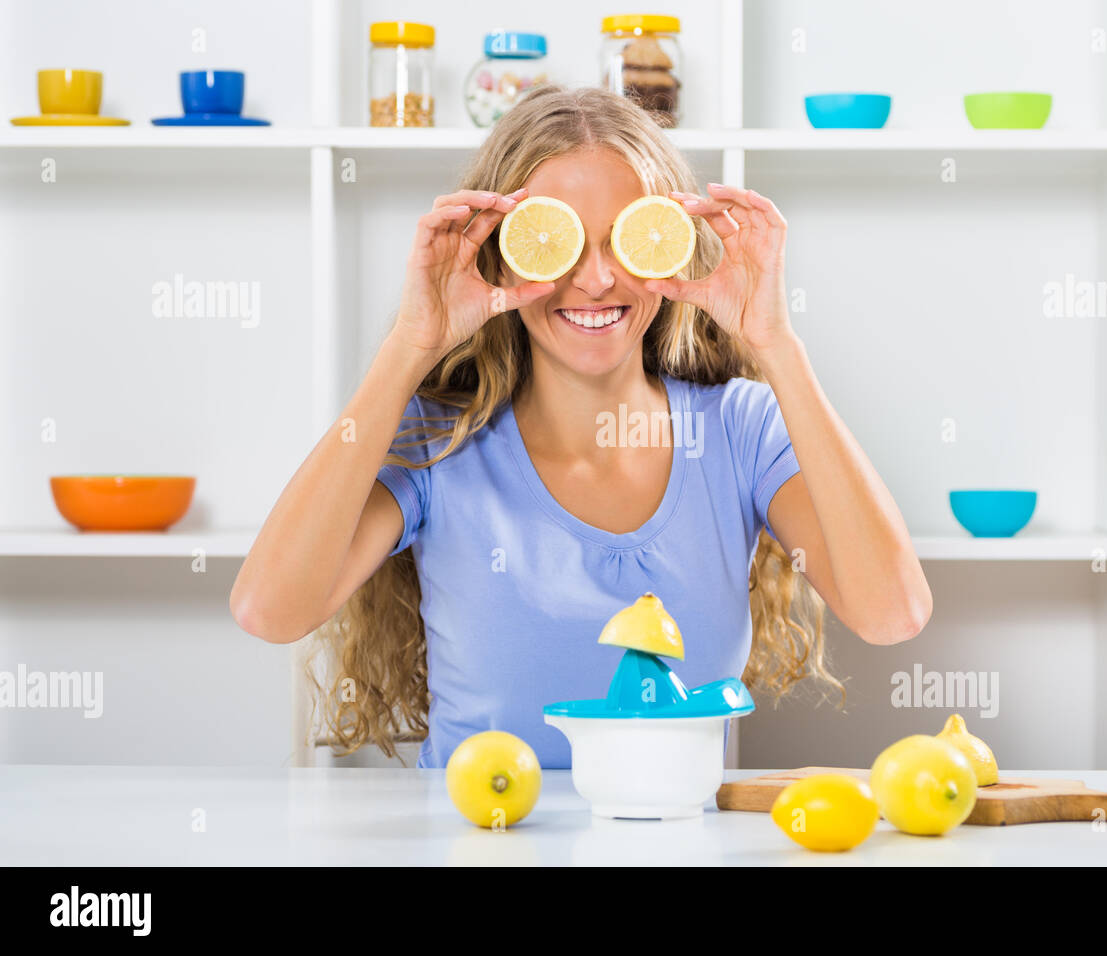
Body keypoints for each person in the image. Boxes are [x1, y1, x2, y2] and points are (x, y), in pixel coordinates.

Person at [229, 85, 931, 769]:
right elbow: (269, 610)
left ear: (669, 247)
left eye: (625, 240)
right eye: (556, 241)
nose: (595, 280)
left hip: (675, 833)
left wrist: (777, 345)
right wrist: (412, 345)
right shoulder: (441, 440)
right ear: (501, 255)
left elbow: (892, 613)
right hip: (476, 833)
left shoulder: (739, 430)